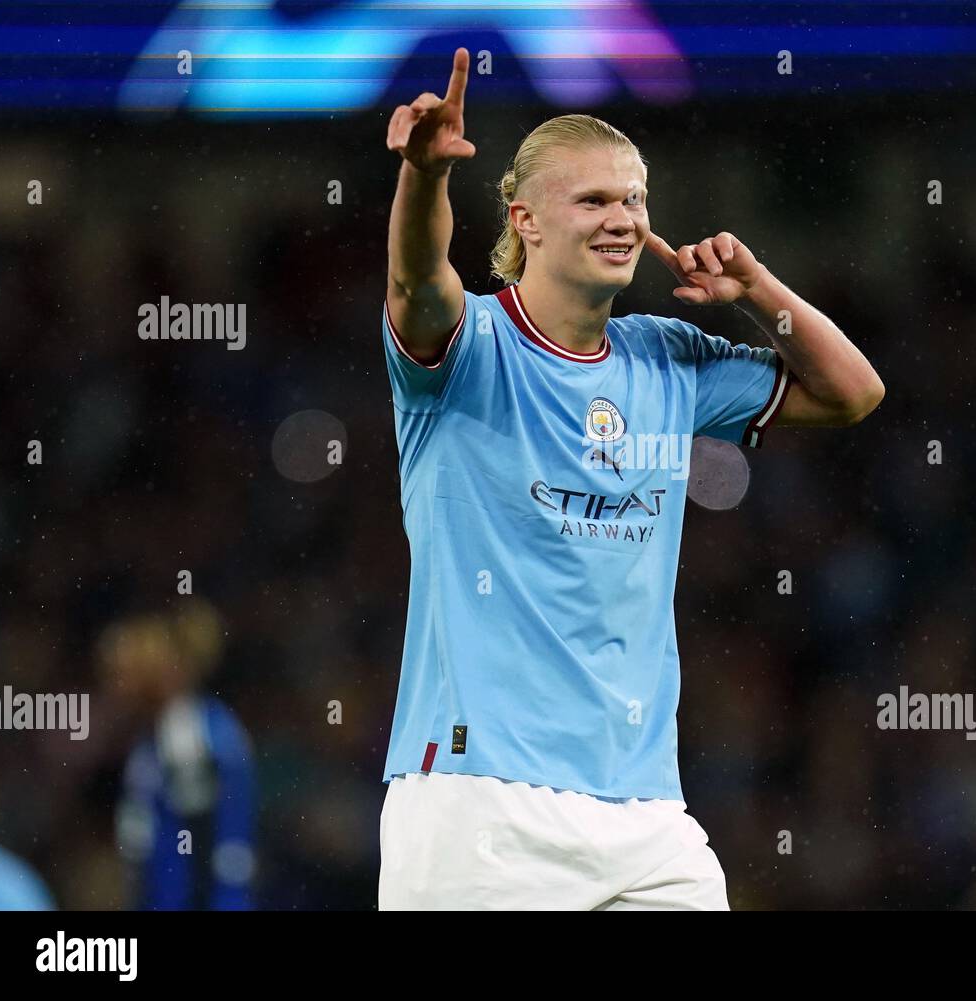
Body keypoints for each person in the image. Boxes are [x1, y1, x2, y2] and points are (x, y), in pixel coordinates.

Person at [378, 48, 884, 910]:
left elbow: (852, 393)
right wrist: (424, 178)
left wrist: (757, 289)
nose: (622, 219)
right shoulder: (470, 348)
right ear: (525, 220)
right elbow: (416, 281)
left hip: (646, 809)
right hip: (479, 800)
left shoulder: (669, 356)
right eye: (594, 200)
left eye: (634, 200)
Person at [98, 602, 256, 910]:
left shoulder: (188, 733)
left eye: (125, 675)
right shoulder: (160, 731)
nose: (117, 687)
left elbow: (205, 844)